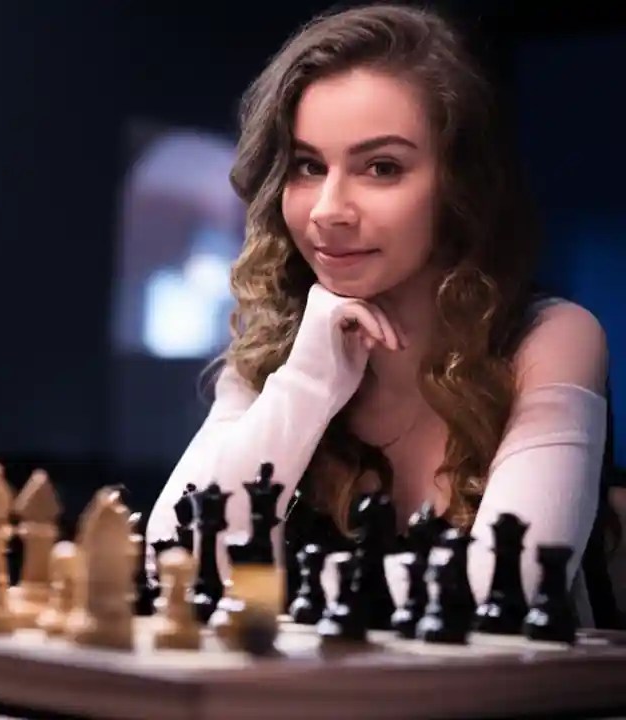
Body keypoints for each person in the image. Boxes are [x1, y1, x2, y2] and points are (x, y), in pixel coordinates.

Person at [144, 3, 621, 628]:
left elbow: (509, 580)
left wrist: (276, 582)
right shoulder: (274, 354)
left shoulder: (549, 339)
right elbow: (174, 560)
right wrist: (309, 383)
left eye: (382, 168)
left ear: (457, 187)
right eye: (308, 166)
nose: (329, 210)